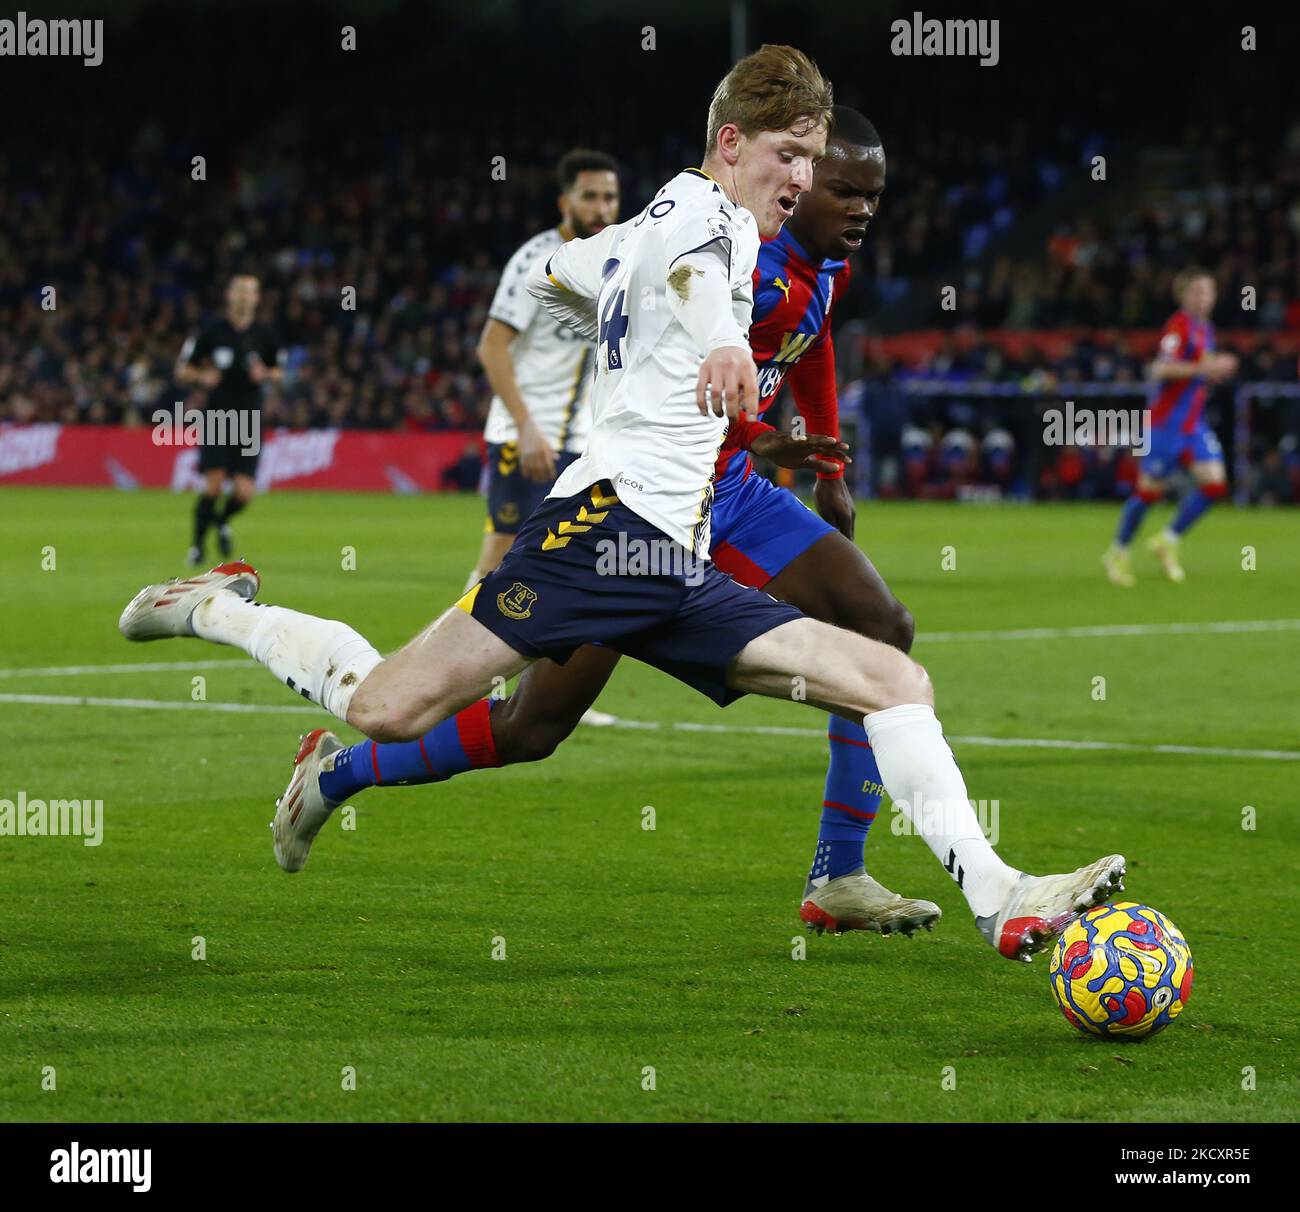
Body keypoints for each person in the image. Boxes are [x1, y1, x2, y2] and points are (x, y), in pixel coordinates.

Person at [120, 45, 1124, 963]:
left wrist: (622, 294)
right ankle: (220, 606)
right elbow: (695, 273)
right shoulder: (707, 221)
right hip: (594, 540)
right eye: (788, 155)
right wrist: (717, 338)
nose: (803, 181)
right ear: (730, 144)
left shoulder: (648, 228)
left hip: (671, 563)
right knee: (388, 706)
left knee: (891, 675)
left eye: (813, 160)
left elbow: (578, 268)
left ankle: (1000, 896)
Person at [306, 106, 941, 939]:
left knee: (881, 625)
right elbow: (682, 371)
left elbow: (812, 345)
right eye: (844, 188)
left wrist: (827, 468)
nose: (861, 208)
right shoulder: (736, 256)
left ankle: (839, 873)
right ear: (795, 178)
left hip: (735, 494)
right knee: (533, 727)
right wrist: (762, 434)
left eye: (873, 193)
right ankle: (338, 774)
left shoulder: (824, 269)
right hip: (645, 512)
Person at [467, 149, 620, 591]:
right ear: (564, 203)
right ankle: (460, 657)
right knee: (504, 555)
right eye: (589, 196)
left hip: (580, 440)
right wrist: (526, 426)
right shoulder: (536, 258)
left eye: (609, 197)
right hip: (528, 436)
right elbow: (491, 347)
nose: (601, 207)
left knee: (565, 564)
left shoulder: (614, 259)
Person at [1103, 268, 1237, 586]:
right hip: (1164, 425)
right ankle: (1118, 551)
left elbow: (1198, 371)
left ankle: (1168, 539)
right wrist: (1205, 367)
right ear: (1184, 296)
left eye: (1209, 292)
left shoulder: (1206, 329)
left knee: (1215, 485)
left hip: (1193, 425)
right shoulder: (1178, 326)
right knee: (1150, 492)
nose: (1205, 298)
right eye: (1198, 292)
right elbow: (1160, 369)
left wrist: (1214, 371)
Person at [174, 274, 282, 566]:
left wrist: (267, 375)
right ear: (229, 296)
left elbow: (280, 372)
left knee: (245, 492)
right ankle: (197, 546)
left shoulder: (265, 334)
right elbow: (182, 369)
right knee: (214, 484)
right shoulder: (212, 331)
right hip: (217, 416)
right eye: (239, 291)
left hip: (249, 418)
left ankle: (221, 521)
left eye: (250, 292)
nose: (245, 296)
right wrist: (201, 376)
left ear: (257, 298)